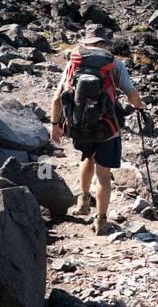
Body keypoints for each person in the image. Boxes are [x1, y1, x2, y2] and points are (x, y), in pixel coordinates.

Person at [49, 24, 147, 236]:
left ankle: (82, 202)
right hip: (107, 127)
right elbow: (131, 93)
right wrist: (140, 106)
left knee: (86, 158)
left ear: (86, 42)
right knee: (103, 174)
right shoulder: (114, 64)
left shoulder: (74, 61)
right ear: (104, 43)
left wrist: (55, 125)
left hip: (78, 125)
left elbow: (57, 97)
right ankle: (101, 221)